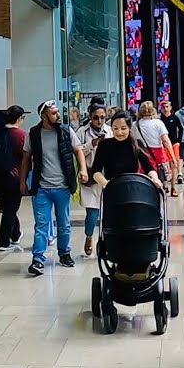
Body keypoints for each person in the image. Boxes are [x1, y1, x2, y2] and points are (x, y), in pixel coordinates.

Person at [20, 99, 88, 277]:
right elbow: (26, 158)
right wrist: (22, 181)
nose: (58, 115)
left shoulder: (65, 131)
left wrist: (82, 169)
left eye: (57, 112)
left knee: (63, 223)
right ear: (44, 116)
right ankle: (38, 259)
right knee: (41, 225)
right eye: (53, 113)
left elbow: (78, 150)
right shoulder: (33, 134)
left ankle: (64, 253)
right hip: (41, 187)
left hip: (62, 187)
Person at [0, 106, 28, 251]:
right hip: (13, 177)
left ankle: (15, 234)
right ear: (19, 118)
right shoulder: (21, 135)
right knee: (11, 209)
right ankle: (4, 241)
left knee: (7, 207)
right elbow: (26, 157)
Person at [90, 110, 159, 189]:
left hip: (132, 189)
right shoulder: (104, 145)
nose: (119, 132)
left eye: (123, 128)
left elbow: (149, 168)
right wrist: (106, 184)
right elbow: (96, 171)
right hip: (112, 189)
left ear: (129, 128)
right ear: (111, 128)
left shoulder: (137, 144)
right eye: (115, 128)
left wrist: (155, 178)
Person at [77, 104, 112, 256]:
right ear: (90, 116)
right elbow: (77, 151)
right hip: (90, 175)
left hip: (106, 176)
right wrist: (91, 144)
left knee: (107, 212)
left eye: (102, 117)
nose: (99, 121)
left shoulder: (110, 130)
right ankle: (89, 236)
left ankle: (105, 240)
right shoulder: (82, 132)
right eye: (96, 117)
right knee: (92, 212)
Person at [135, 101, 178, 195]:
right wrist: (173, 158)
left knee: (144, 177)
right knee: (161, 178)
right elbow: (165, 140)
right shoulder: (158, 123)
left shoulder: (135, 124)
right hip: (158, 155)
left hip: (142, 154)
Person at [159, 100, 184, 193]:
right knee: (163, 166)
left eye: (167, 107)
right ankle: (165, 185)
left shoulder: (175, 118)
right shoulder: (159, 120)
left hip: (173, 143)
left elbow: (181, 128)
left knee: (174, 165)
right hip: (163, 145)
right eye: (163, 107)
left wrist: (179, 140)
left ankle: (173, 187)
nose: (165, 109)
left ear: (170, 107)